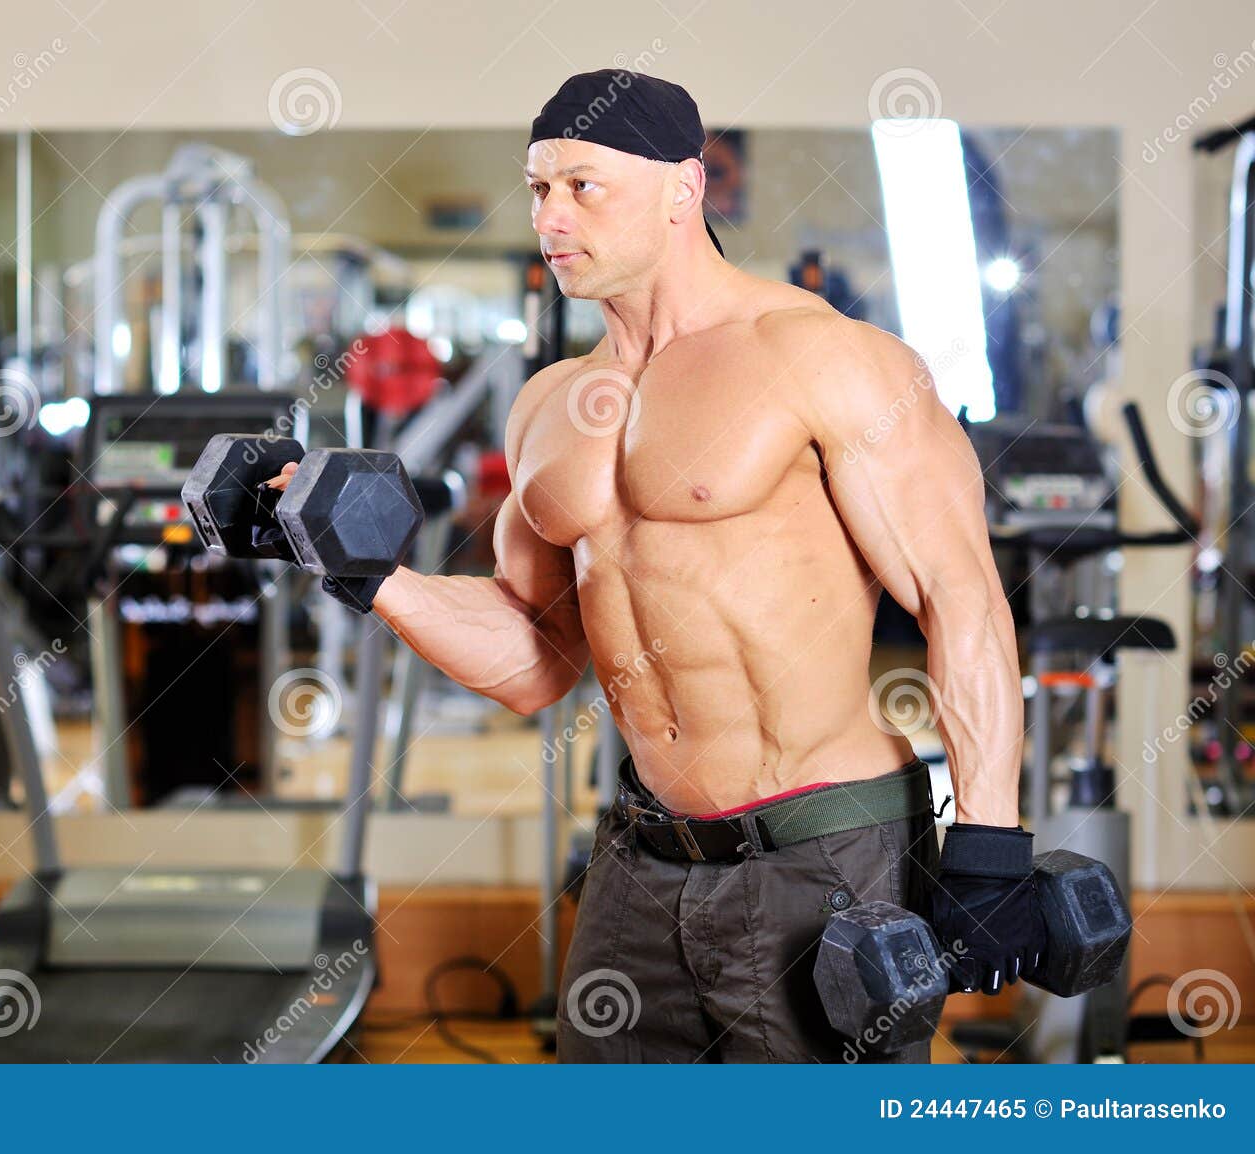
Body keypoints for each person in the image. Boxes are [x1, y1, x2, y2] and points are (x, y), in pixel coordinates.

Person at [271, 71, 1032, 1063]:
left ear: (683, 187)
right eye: (539, 189)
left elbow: (961, 599)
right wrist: (372, 577)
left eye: (583, 186)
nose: (550, 217)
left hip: (822, 852)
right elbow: (535, 659)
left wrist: (990, 843)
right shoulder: (550, 403)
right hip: (644, 857)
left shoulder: (823, 358)